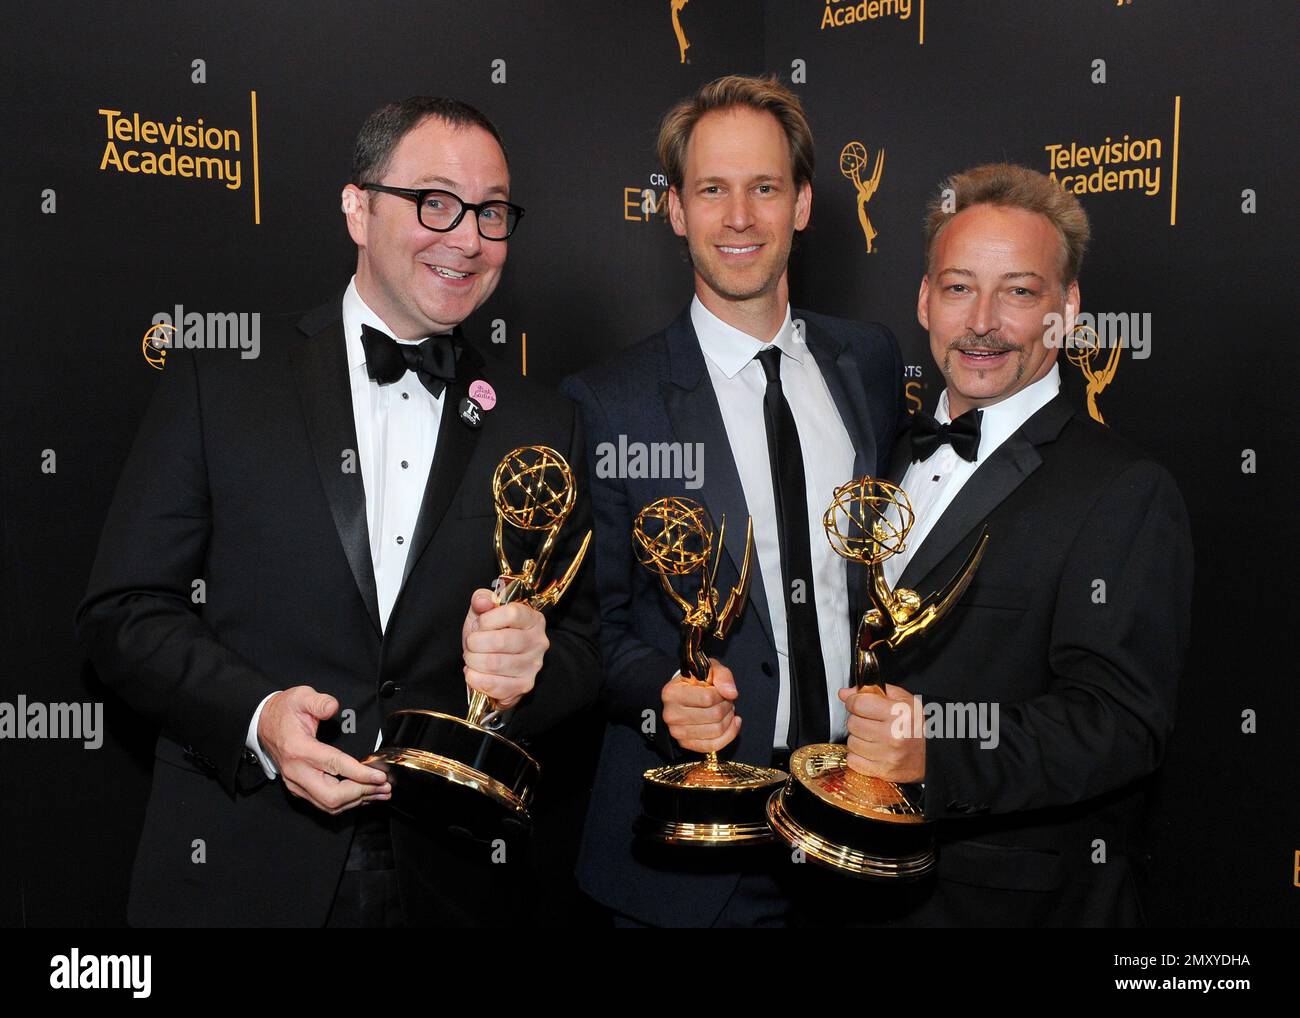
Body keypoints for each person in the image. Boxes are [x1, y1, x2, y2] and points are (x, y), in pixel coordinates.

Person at [75, 96, 600, 927]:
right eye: (434, 202)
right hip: (242, 864)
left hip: (456, 878)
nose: (466, 237)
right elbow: (125, 612)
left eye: (491, 212)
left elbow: (581, 645)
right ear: (358, 208)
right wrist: (256, 719)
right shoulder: (225, 382)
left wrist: (531, 666)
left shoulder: (541, 424)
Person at [562, 74, 904, 927]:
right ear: (674, 210)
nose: (740, 217)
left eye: (765, 188)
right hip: (687, 851)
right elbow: (591, 631)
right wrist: (662, 695)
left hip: (852, 828)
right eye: (713, 189)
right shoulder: (611, 403)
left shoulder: (868, 364)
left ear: (804, 205)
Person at [836, 162, 1193, 926]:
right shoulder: (886, 453)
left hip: (1004, 904)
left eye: (1020, 292)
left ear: (1066, 311)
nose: (983, 321)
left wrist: (940, 750)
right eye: (960, 287)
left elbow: (1121, 722)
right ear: (925, 301)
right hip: (848, 886)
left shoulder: (1124, 489)